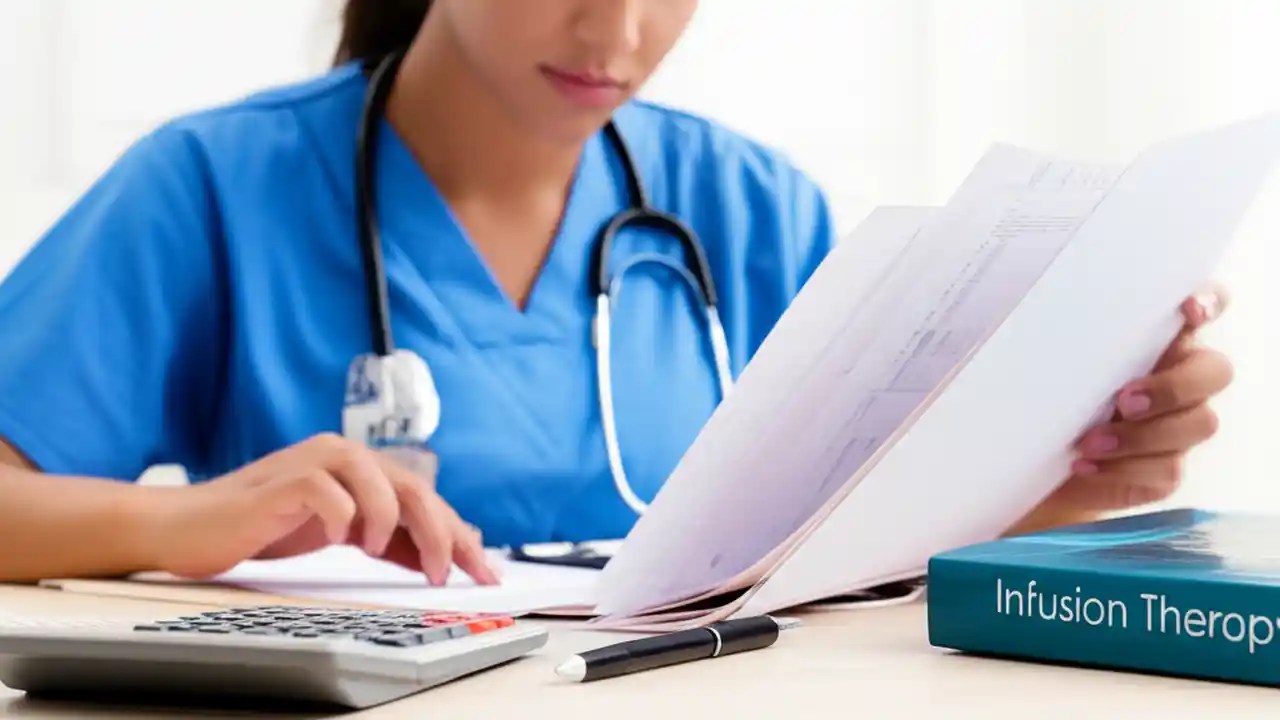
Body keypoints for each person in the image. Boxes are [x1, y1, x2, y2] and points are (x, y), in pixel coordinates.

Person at [0, 0, 1234, 586]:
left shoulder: (749, 208)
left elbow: (850, 543)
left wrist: (1063, 477)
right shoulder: (214, 187)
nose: (620, 28)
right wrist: (176, 525)